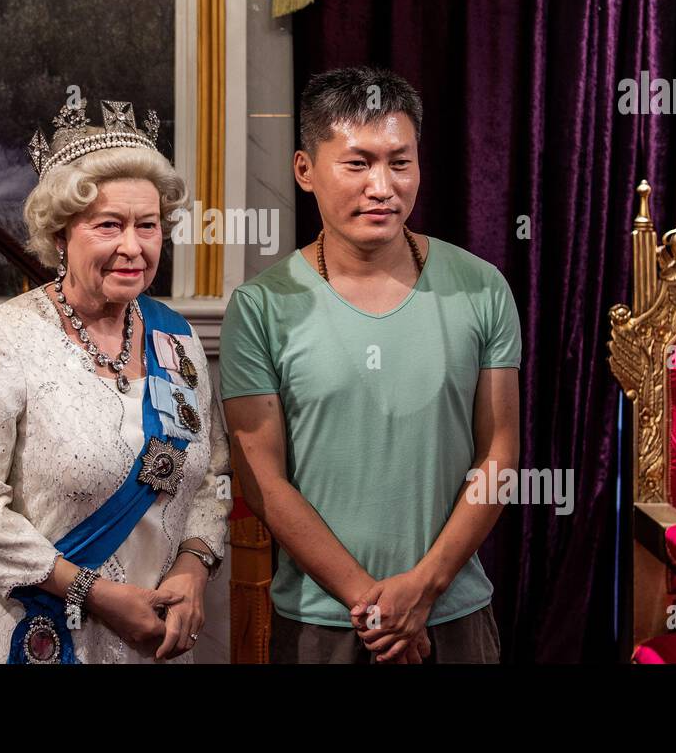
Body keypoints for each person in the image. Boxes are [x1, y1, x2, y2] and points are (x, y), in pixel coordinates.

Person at [220, 66, 521, 664]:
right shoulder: (261, 307)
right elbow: (265, 484)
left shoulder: (480, 287)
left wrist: (424, 587)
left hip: (454, 613)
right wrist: (377, 606)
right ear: (305, 170)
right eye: (357, 163)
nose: (382, 186)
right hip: (320, 624)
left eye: (399, 163)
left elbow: (500, 458)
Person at [0, 97, 231, 664]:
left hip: (156, 642)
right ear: (60, 234)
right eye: (108, 226)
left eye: (147, 226)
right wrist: (92, 592)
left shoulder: (177, 340)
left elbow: (211, 478)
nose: (133, 247)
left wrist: (194, 568)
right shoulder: (3, 339)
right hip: (42, 635)